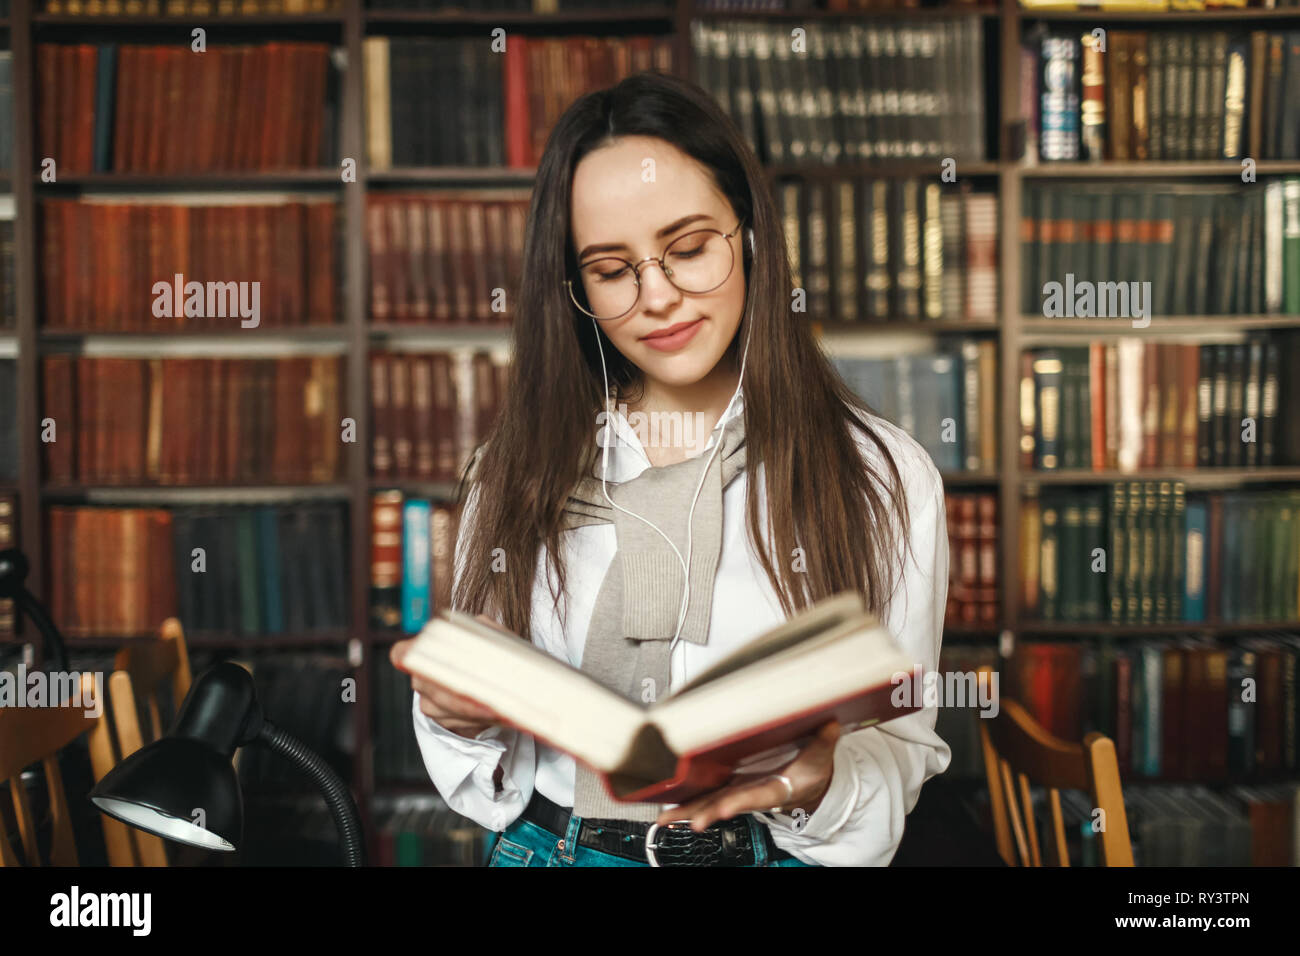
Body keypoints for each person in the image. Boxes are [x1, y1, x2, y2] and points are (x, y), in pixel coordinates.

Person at [388, 70, 951, 867]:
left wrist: (820, 785)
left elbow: (903, 752)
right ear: (574, 286)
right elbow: (488, 786)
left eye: (688, 249)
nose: (658, 296)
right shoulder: (510, 472)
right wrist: (455, 719)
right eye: (613, 271)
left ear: (750, 235)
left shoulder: (883, 476)